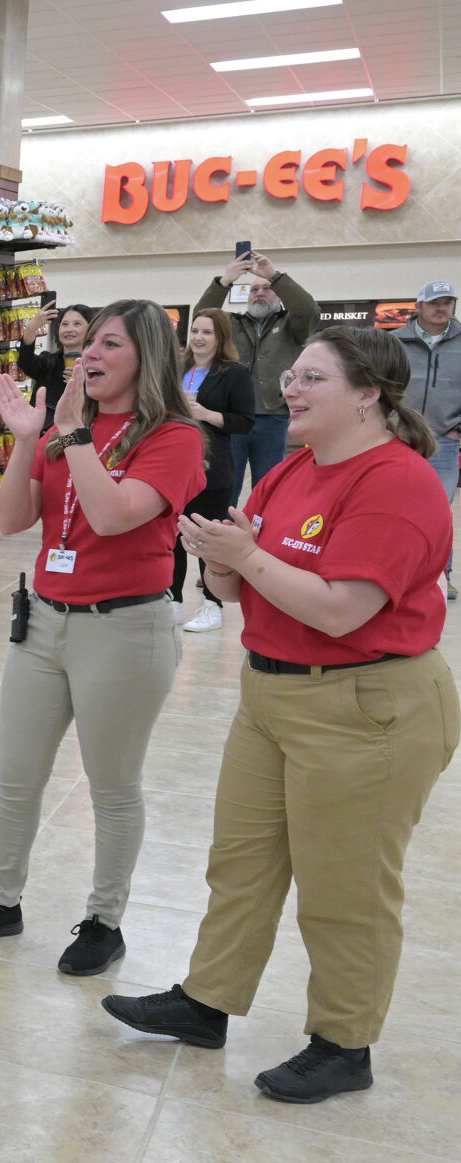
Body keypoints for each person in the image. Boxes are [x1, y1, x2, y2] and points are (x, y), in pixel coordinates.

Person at [103, 325, 457, 1103]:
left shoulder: (398, 482)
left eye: (311, 379)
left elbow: (342, 610)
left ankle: (343, 1041)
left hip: (366, 704)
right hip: (271, 691)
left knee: (346, 887)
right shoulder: (292, 468)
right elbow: (235, 592)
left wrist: (247, 557)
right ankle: (207, 1001)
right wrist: (219, 558)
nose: (288, 390)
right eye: (290, 376)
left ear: (369, 395)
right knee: (242, 864)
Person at [0, 299, 203, 976]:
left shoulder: (173, 436)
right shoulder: (63, 427)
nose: (88, 355)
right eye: (86, 345)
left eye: (108, 345)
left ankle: (104, 919)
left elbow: (114, 516)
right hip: (45, 620)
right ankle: (3, 900)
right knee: (17, 773)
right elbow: (12, 521)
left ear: (145, 357)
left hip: (125, 627)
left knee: (112, 786)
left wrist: (75, 438)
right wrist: (30, 436)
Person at [197, 251, 318, 495]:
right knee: (226, 482)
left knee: (269, 486)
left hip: (273, 417)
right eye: (254, 290)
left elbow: (307, 310)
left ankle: (262, 531)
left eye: (267, 288)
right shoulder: (232, 325)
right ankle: (222, 528)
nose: (260, 293)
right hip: (232, 417)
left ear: (279, 294)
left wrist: (275, 276)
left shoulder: (292, 325)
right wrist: (224, 281)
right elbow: (202, 317)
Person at [174, 309, 256, 632]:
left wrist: (208, 414)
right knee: (173, 535)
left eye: (206, 332)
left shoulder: (234, 374)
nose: (198, 338)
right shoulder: (179, 369)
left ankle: (212, 604)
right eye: (194, 330)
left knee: (206, 536)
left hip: (214, 466)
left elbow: (244, 421)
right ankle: (173, 600)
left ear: (220, 337)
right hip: (177, 464)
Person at [397, 279, 459, 597]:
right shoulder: (394, 342)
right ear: (418, 307)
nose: (441, 308)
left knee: (437, 511)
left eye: (447, 302)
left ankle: (439, 577)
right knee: (392, 507)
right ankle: (395, 573)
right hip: (397, 439)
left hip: (443, 442)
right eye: (435, 302)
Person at [18, 302, 96, 418]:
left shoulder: (97, 366)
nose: (69, 329)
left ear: (90, 329)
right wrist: (30, 329)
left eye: (77, 324)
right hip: (45, 432)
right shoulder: (48, 362)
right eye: (64, 324)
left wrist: (84, 383)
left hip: (82, 429)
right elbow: (25, 362)